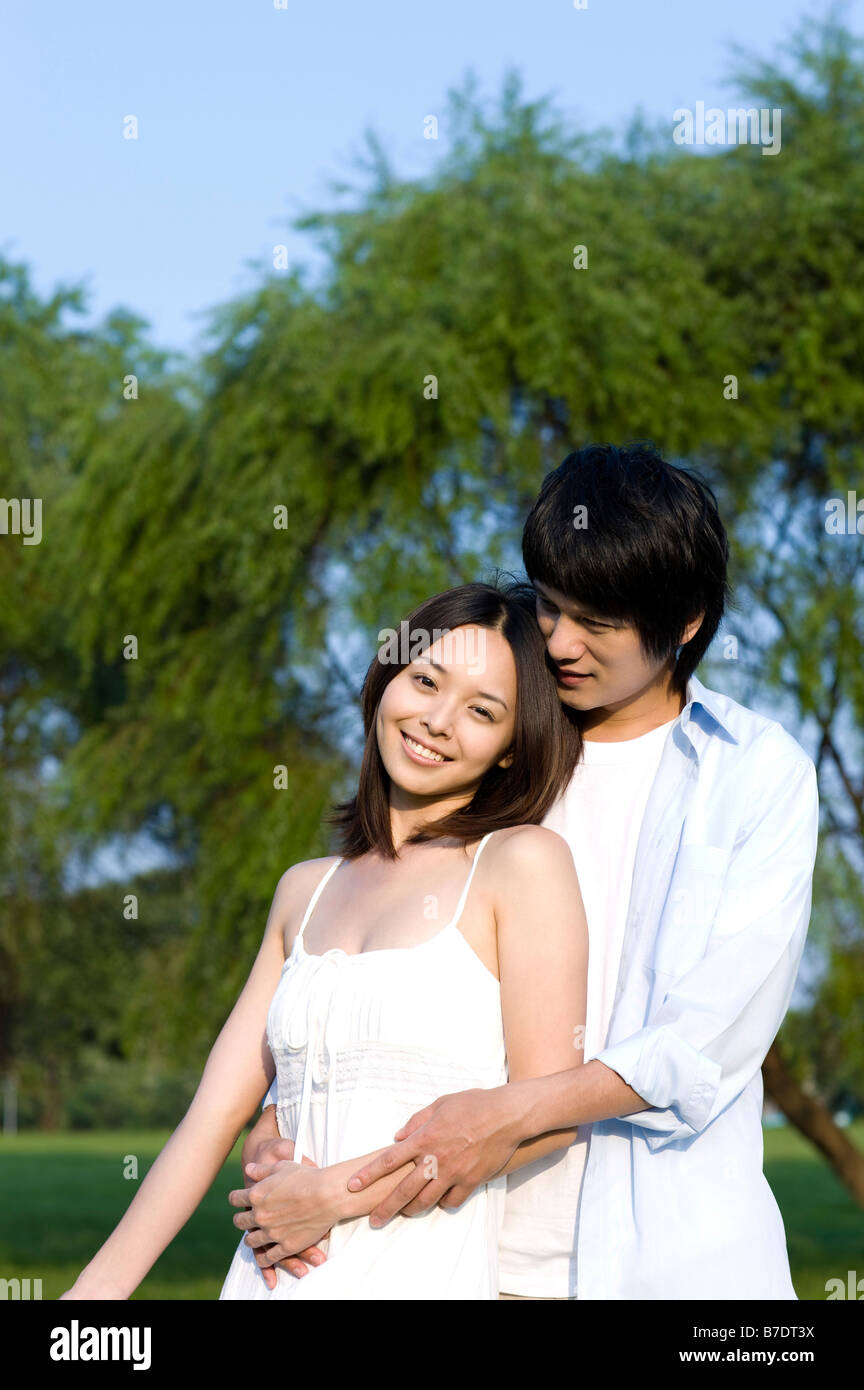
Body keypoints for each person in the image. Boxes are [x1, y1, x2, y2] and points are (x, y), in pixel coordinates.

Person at [238, 442, 819, 1301]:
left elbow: (708, 1041)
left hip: (671, 1260)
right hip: (461, 1249)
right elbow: (368, 954)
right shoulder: (493, 746)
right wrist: (279, 1116)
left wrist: (512, 1112)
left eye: (599, 622)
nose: (561, 642)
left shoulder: (754, 772)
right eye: (549, 607)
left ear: (687, 621)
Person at [59, 581, 593, 1302]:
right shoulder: (303, 891)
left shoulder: (519, 864)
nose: (437, 720)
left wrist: (333, 1197)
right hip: (270, 1277)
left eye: (481, 711)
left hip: (415, 1277)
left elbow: (546, 1115)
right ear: (385, 682)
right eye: (425, 680)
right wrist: (91, 1299)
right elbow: (213, 1117)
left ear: (509, 748)